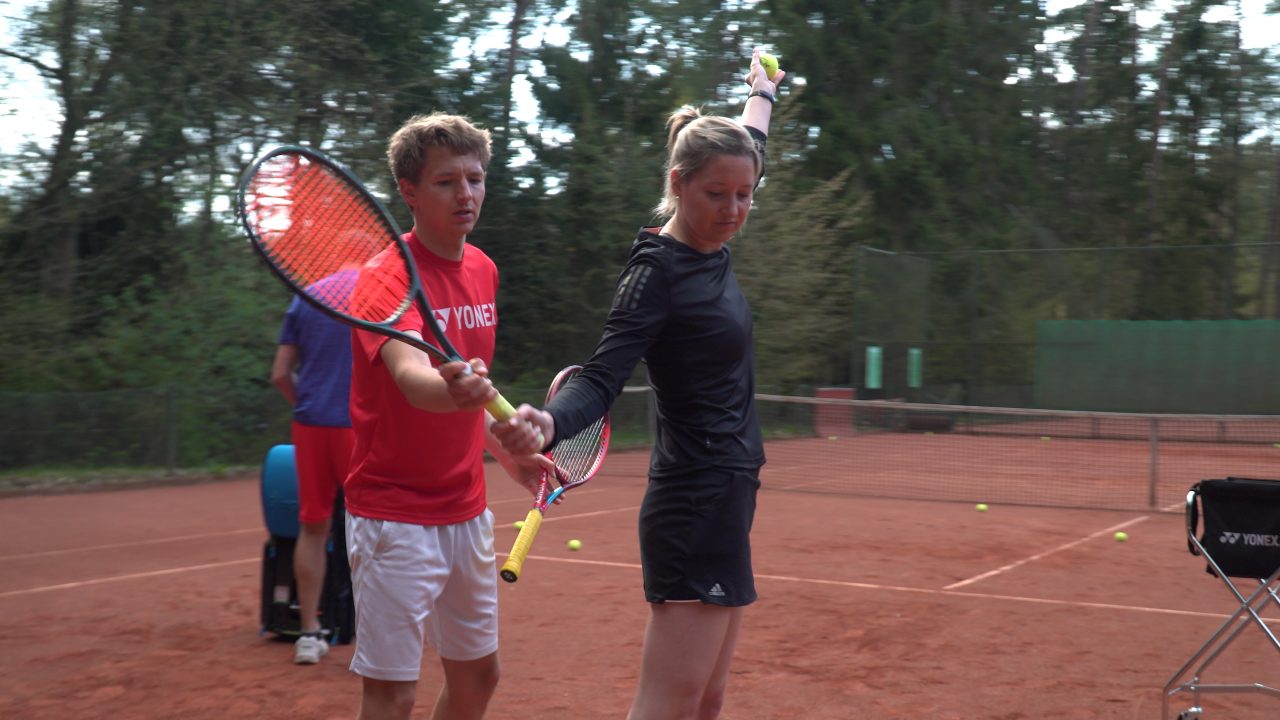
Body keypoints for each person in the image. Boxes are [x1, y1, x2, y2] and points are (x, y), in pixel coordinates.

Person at [492, 50, 786, 720]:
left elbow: (752, 145)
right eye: (719, 195)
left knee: (705, 702)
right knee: (667, 706)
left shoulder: (717, 224)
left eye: (746, 194)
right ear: (679, 184)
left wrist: (763, 92)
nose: (736, 208)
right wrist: (547, 424)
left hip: (731, 491)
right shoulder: (657, 274)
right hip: (694, 501)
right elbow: (600, 378)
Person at [343, 112, 551, 720]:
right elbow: (413, 381)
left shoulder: (483, 268)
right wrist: (456, 390)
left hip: (465, 510)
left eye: (475, 178)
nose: (466, 194)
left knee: (478, 677)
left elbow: (470, 396)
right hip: (394, 515)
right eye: (446, 181)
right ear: (409, 191)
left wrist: (505, 448)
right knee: (392, 694)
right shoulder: (385, 279)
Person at [270, 270, 358, 665]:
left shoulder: (306, 296)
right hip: (359, 425)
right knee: (372, 526)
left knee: (312, 526)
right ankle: (374, 631)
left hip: (310, 425)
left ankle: (309, 633)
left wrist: (306, 404)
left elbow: (279, 374)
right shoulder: (381, 292)